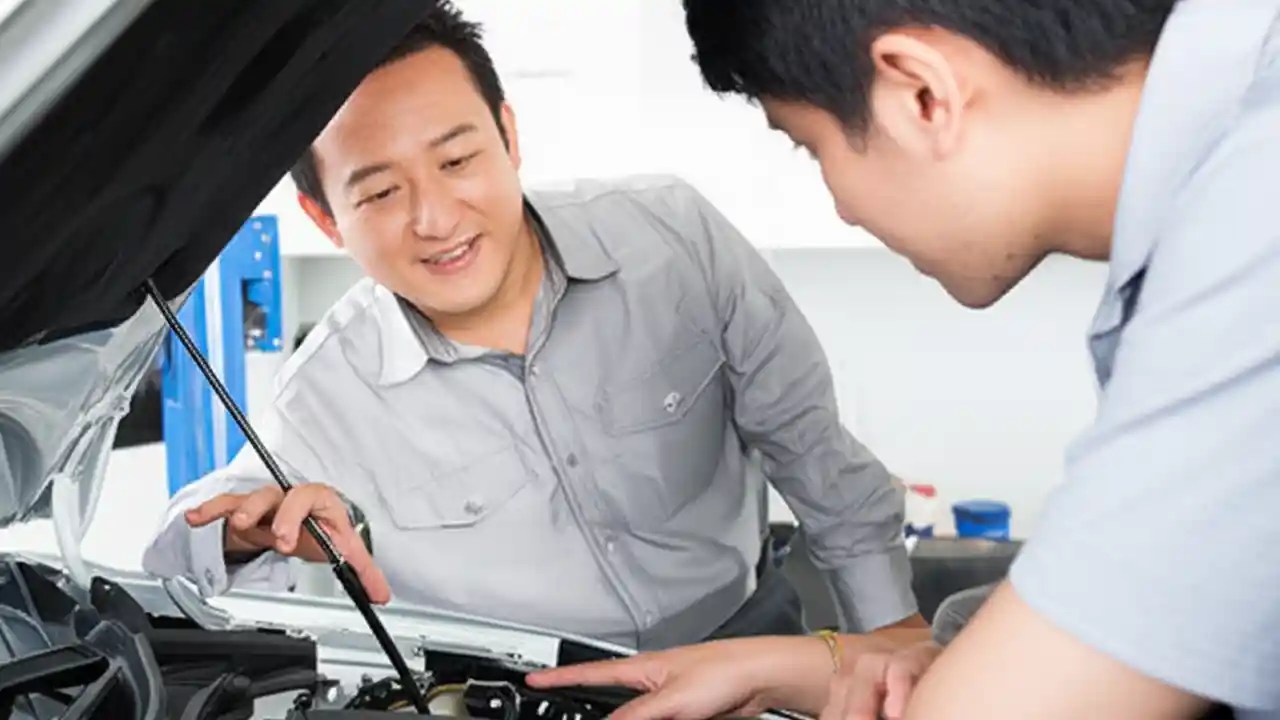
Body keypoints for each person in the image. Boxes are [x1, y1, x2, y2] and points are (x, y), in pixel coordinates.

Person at [527, 0, 1280, 717]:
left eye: (810, 146)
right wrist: (809, 666)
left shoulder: (1252, 236)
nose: (843, 207)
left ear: (921, 94)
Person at [141, 1, 931, 652]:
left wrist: (891, 635)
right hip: (525, 692)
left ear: (509, 138)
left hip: (748, 641)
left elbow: (814, 453)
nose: (435, 218)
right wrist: (248, 532)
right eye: (380, 193)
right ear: (325, 218)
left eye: (457, 162)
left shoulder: (674, 239)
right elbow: (176, 552)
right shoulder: (324, 393)